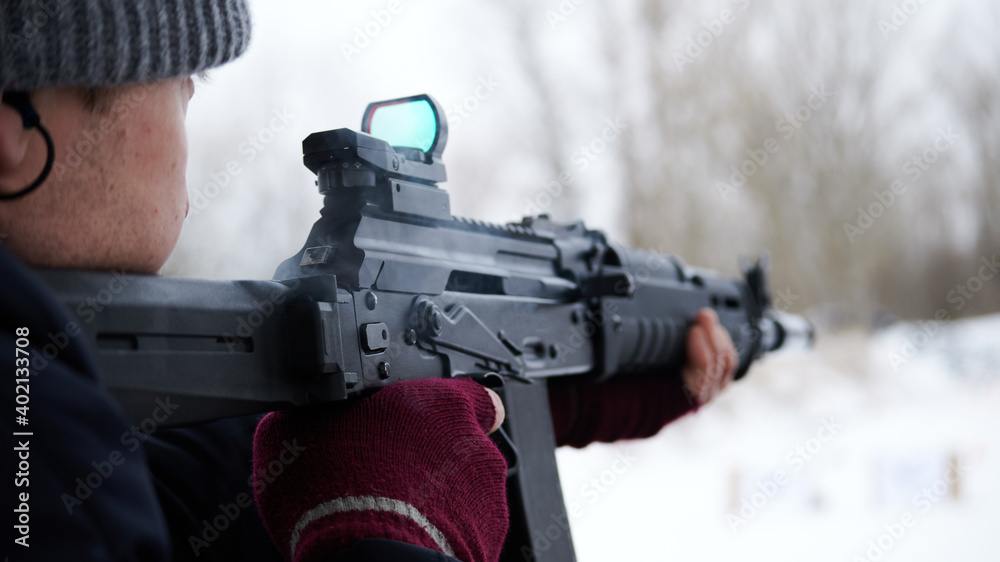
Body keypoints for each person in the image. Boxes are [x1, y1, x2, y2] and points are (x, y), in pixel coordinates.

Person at [0, 1, 737, 561]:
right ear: (11, 128)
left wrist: (543, 391)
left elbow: (230, 468)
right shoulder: (43, 437)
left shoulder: (77, 422)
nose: (189, 102)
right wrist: (381, 530)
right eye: (177, 81)